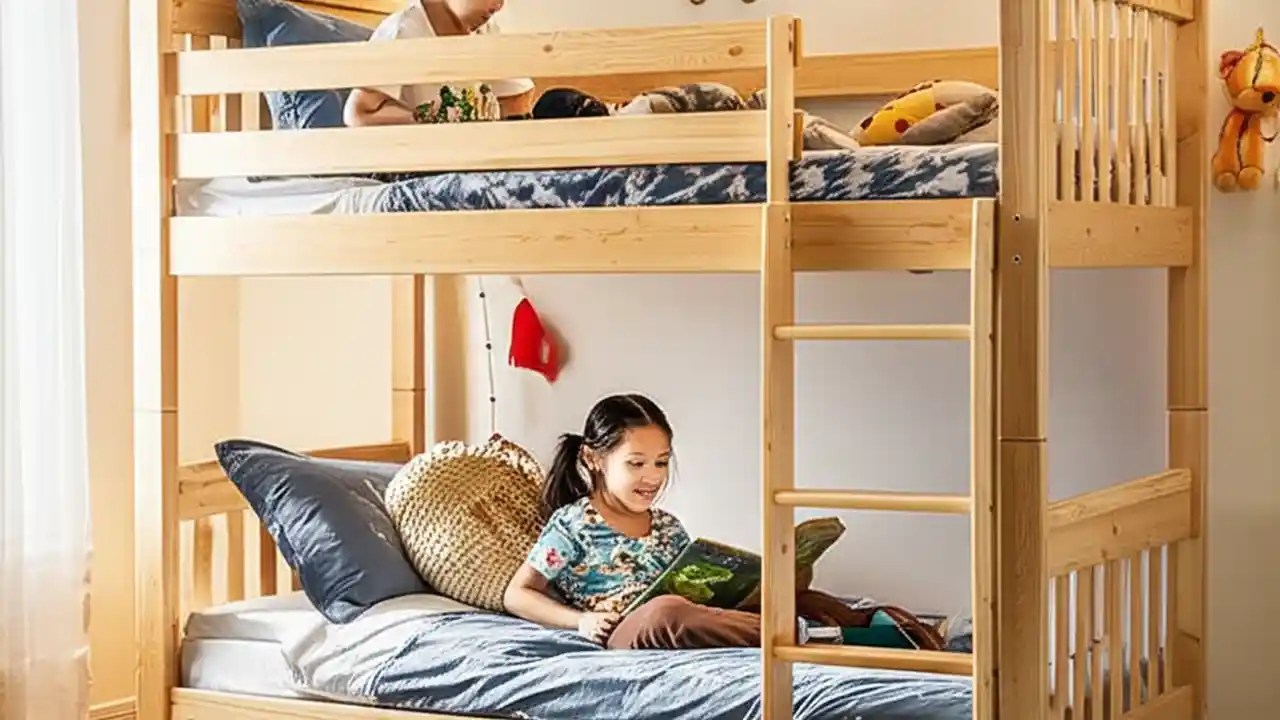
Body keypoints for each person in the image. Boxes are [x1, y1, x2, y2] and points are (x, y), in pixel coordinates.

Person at [502, 393, 888, 651]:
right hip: (628, 628)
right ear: (593, 459)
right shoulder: (573, 524)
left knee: (794, 595)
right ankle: (810, 637)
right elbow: (517, 595)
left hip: (694, 616)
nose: (652, 476)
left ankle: (876, 627)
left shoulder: (667, 525)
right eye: (636, 463)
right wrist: (581, 622)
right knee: (666, 612)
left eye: (661, 462)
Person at [343, 0, 536, 127]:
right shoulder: (405, 30)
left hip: (478, 152)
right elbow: (358, 114)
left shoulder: (486, 31)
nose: (498, 6)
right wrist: (424, 120)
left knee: (554, 103)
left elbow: (518, 98)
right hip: (427, 156)